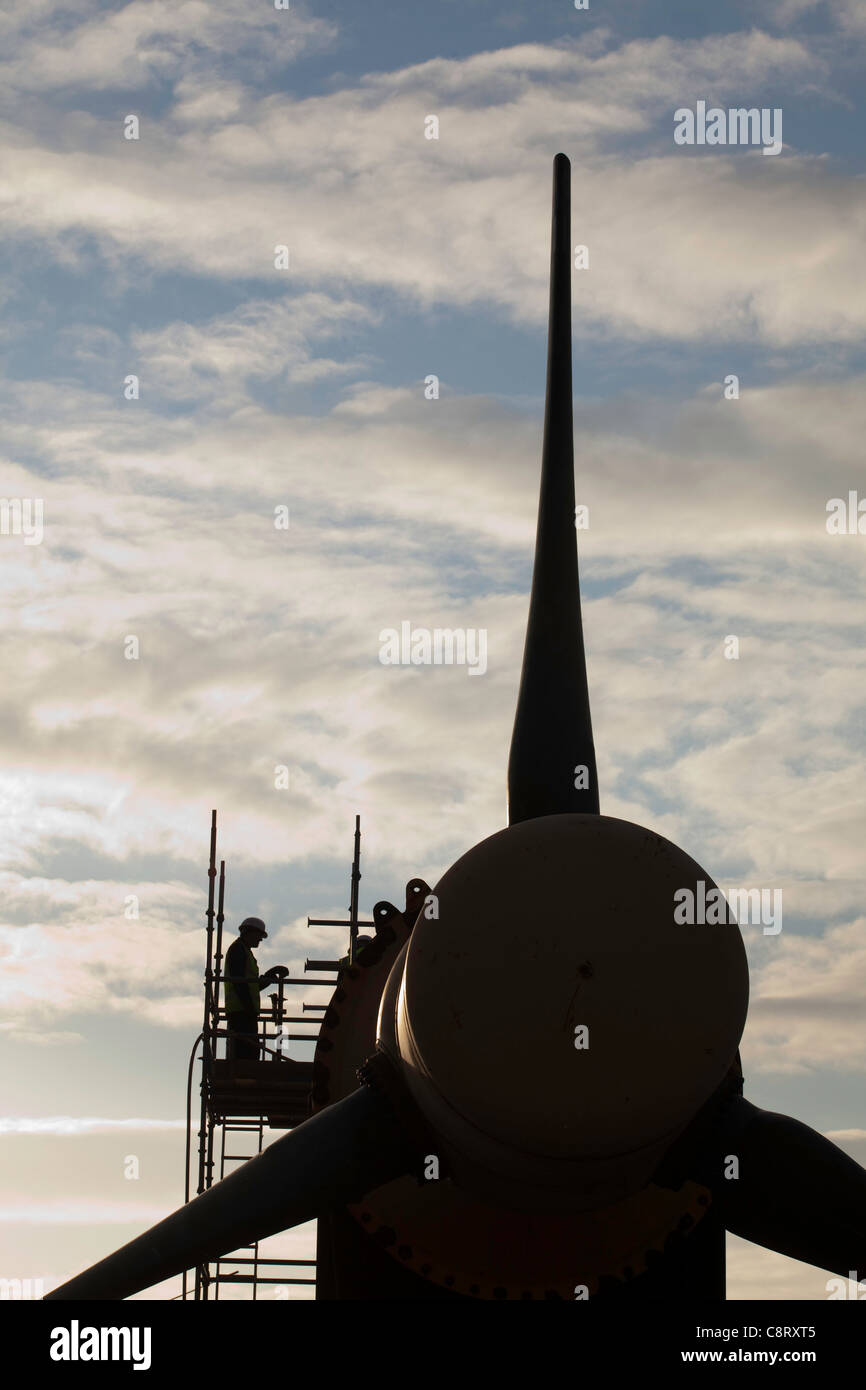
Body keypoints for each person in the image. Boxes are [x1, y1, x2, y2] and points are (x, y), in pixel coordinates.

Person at [223, 917, 285, 1061]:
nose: (261, 940)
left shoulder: (243, 951)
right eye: (259, 935)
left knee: (248, 1053)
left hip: (244, 1012)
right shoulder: (238, 950)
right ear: (249, 932)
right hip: (241, 1013)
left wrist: (269, 976)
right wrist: (249, 1007)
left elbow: (250, 985)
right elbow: (240, 983)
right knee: (245, 1055)